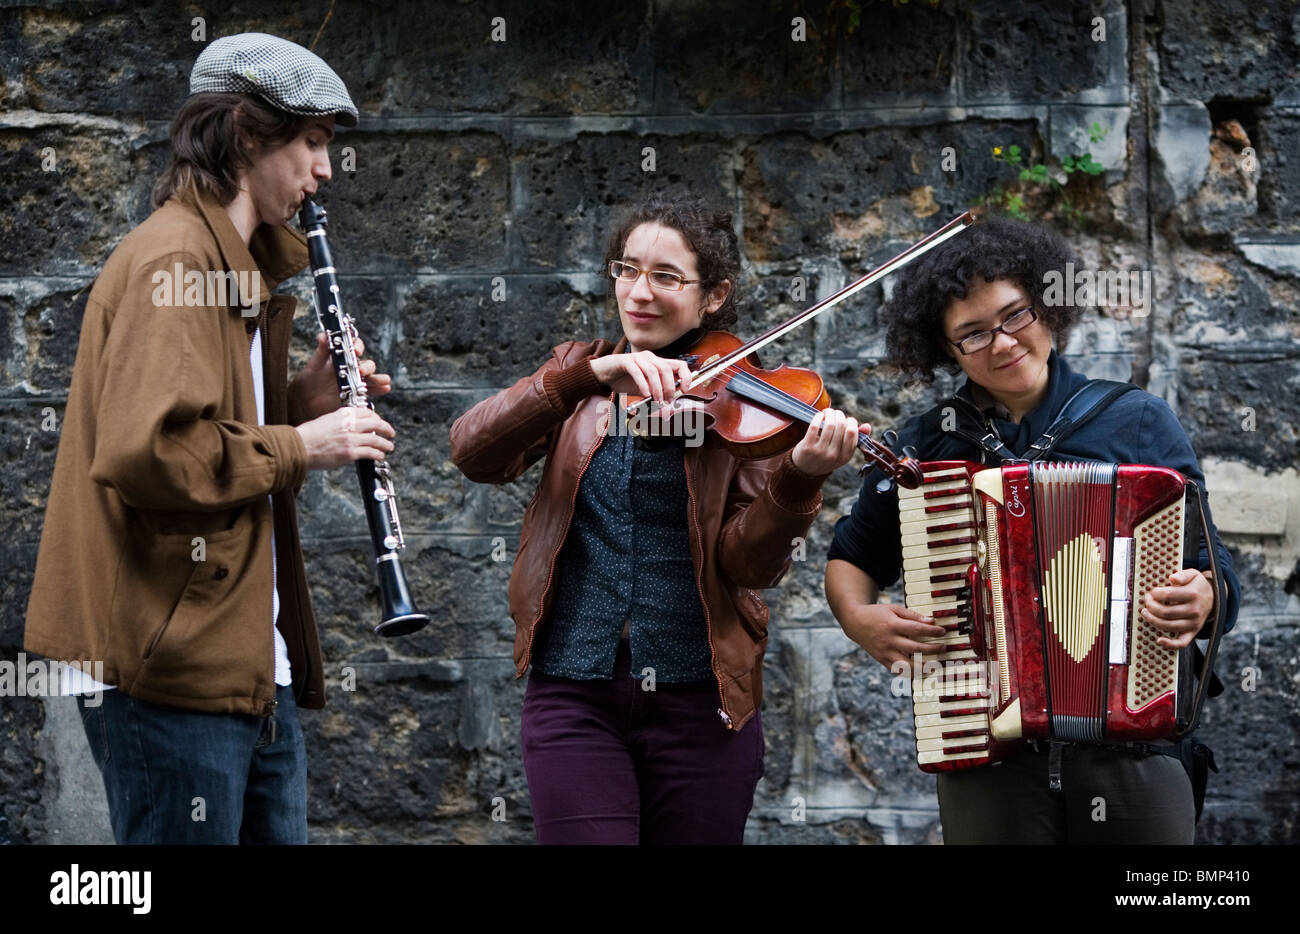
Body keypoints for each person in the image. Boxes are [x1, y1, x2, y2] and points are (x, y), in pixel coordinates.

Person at [24, 33, 397, 844]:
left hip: (250, 668)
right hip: (173, 675)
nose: (325, 170)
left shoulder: (233, 268)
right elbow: (150, 453)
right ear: (244, 134)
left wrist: (302, 404)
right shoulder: (177, 261)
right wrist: (307, 445)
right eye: (312, 142)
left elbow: (219, 435)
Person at [450, 193, 860, 844]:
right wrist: (586, 376)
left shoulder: (746, 396)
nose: (639, 292)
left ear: (714, 294)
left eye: (666, 276)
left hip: (701, 702)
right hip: (574, 694)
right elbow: (471, 451)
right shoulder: (578, 371)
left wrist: (799, 477)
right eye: (627, 269)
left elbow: (748, 565)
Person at [823, 217, 1240, 845]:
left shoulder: (1137, 422)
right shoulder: (926, 444)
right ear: (947, 350)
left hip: (1133, 751)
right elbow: (851, 556)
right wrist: (858, 617)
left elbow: (1220, 576)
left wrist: (1205, 598)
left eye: (1015, 315)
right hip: (987, 754)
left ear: (1045, 308)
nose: (1002, 342)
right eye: (973, 334)